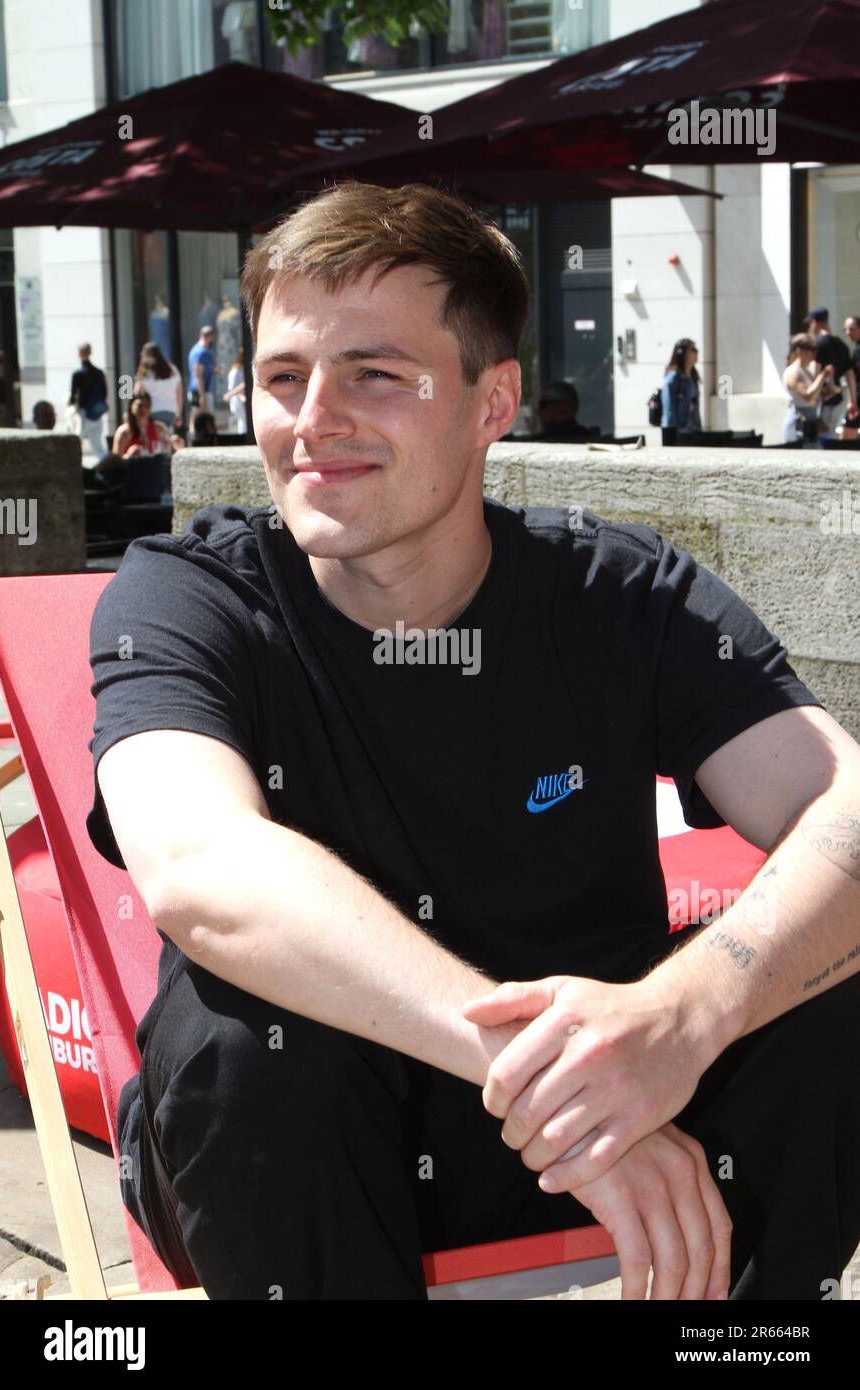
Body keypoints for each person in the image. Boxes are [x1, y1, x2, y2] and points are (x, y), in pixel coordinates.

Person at [87, 181, 860, 1303]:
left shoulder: (618, 594)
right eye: (282, 377)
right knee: (239, 1033)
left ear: (491, 402)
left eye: (375, 375)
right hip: (317, 1147)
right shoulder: (188, 595)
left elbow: (840, 802)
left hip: (615, 1098)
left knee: (829, 979)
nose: (313, 421)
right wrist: (560, 1084)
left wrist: (679, 1023)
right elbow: (202, 870)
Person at [803, 307, 858, 437]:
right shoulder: (841, 345)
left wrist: (813, 395)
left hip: (822, 400)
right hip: (839, 399)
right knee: (833, 432)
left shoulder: (817, 344)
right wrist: (852, 401)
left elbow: (815, 372)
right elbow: (850, 375)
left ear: (814, 322)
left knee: (820, 435)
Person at [781, 333, 832, 444]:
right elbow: (807, 396)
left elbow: (815, 394)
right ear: (799, 350)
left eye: (815, 349)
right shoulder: (792, 372)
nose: (814, 353)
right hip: (798, 422)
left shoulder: (807, 370)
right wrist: (822, 376)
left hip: (811, 420)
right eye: (811, 349)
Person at [112, 389, 183, 459]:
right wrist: (128, 455)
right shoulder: (124, 432)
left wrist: (176, 446)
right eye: (140, 405)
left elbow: (168, 452)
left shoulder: (159, 428)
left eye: (146, 405)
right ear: (131, 406)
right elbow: (116, 462)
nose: (143, 409)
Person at [69, 342, 109, 462]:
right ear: (90, 352)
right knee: (98, 447)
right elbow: (104, 393)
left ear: (79, 354)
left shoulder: (77, 374)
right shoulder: (99, 373)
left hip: (82, 414)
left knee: (76, 443)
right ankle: (106, 468)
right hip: (96, 414)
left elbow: (73, 396)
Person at [134, 341, 183, 432]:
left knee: (154, 438)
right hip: (171, 410)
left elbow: (137, 392)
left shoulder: (145, 372)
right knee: (167, 435)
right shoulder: (172, 369)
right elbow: (179, 392)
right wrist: (178, 413)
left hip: (153, 411)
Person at [661, 339, 701, 442]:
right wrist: (671, 434)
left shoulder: (693, 376)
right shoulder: (673, 377)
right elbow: (668, 406)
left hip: (693, 429)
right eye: (692, 350)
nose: (696, 353)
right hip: (678, 431)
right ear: (682, 354)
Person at [530, 380, 597, 442]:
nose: (538, 411)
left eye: (543, 404)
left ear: (564, 408)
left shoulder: (545, 441)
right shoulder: (589, 438)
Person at [188, 324, 216, 425]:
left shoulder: (203, 351)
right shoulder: (199, 352)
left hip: (202, 391)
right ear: (210, 336)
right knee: (202, 422)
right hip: (200, 391)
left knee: (199, 420)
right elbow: (198, 375)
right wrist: (202, 396)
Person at [223, 347, 248, 435]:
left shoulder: (242, 370)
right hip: (237, 400)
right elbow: (232, 388)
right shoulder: (235, 371)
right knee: (243, 421)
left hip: (241, 399)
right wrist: (240, 396)